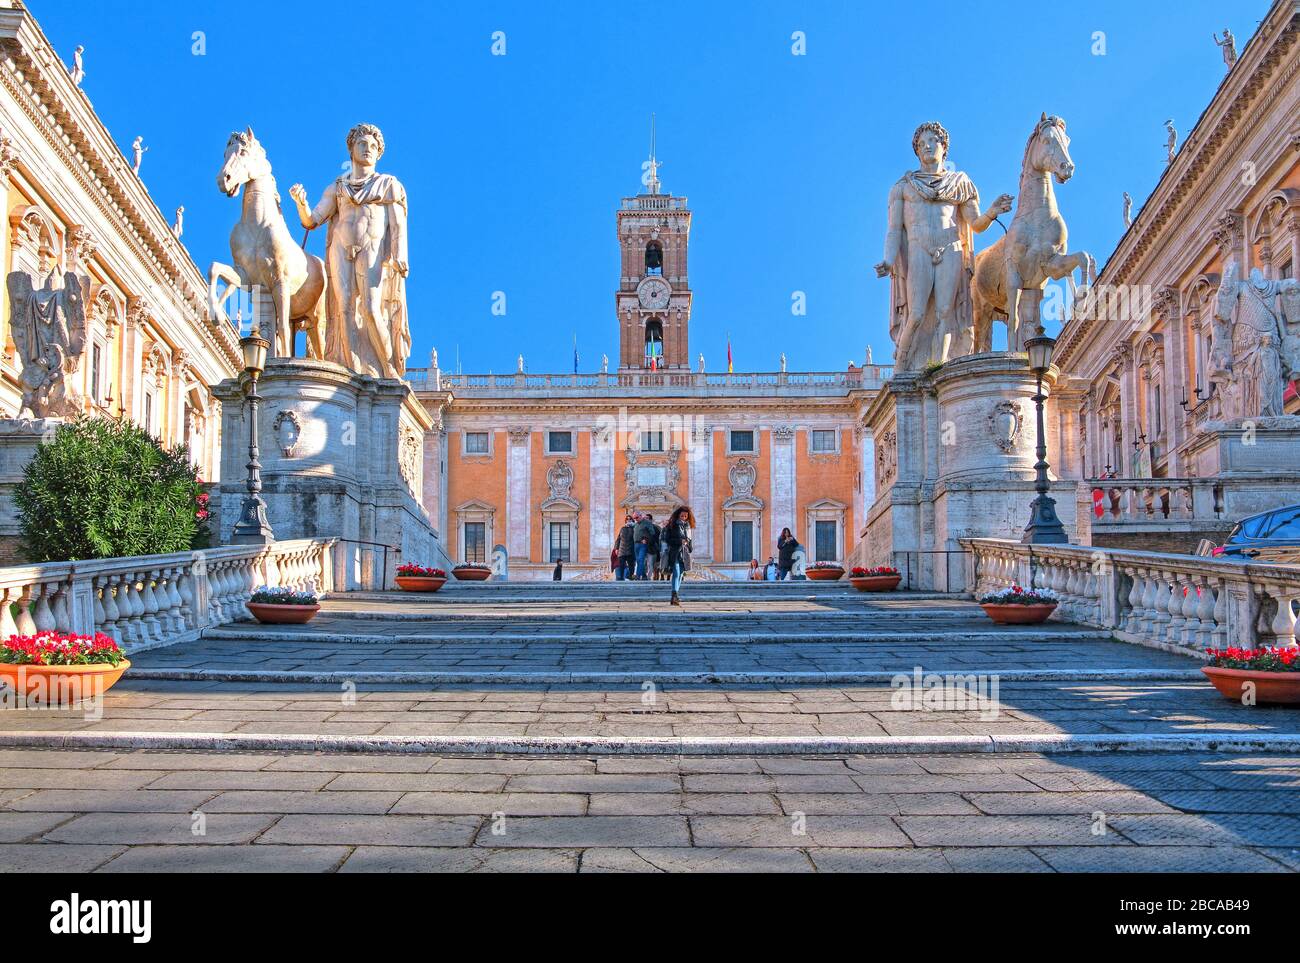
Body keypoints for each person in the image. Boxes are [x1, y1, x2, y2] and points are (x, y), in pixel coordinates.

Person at [663, 505, 695, 606]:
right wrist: (679, 541)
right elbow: (667, 539)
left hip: (684, 553)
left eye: (686, 516)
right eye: (682, 516)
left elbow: (689, 540)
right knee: (676, 572)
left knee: (681, 573)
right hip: (675, 551)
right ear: (678, 515)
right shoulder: (672, 525)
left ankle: (675, 595)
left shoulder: (688, 526)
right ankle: (674, 595)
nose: (684, 518)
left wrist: (689, 547)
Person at [633, 511, 657, 580]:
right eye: (634, 518)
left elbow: (652, 533)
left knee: (641, 560)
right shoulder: (636, 524)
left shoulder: (647, 523)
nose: (635, 519)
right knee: (638, 561)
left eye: (637, 517)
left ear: (641, 516)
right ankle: (644, 576)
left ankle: (637, 576)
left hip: (642, 544)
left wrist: (646, 539)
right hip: (636, 544)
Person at [615, 515, 635, 580]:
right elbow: (618, 539)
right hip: (622, 550)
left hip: (631, 549)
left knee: (631, 565)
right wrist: (616, 548)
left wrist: (634, 526)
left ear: (632, 520)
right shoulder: (622, 528)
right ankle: (621, 577)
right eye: (627, 519)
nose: (628, 520)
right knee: (621, 565)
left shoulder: (634, 528)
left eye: (630, 519)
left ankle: (631, 577)